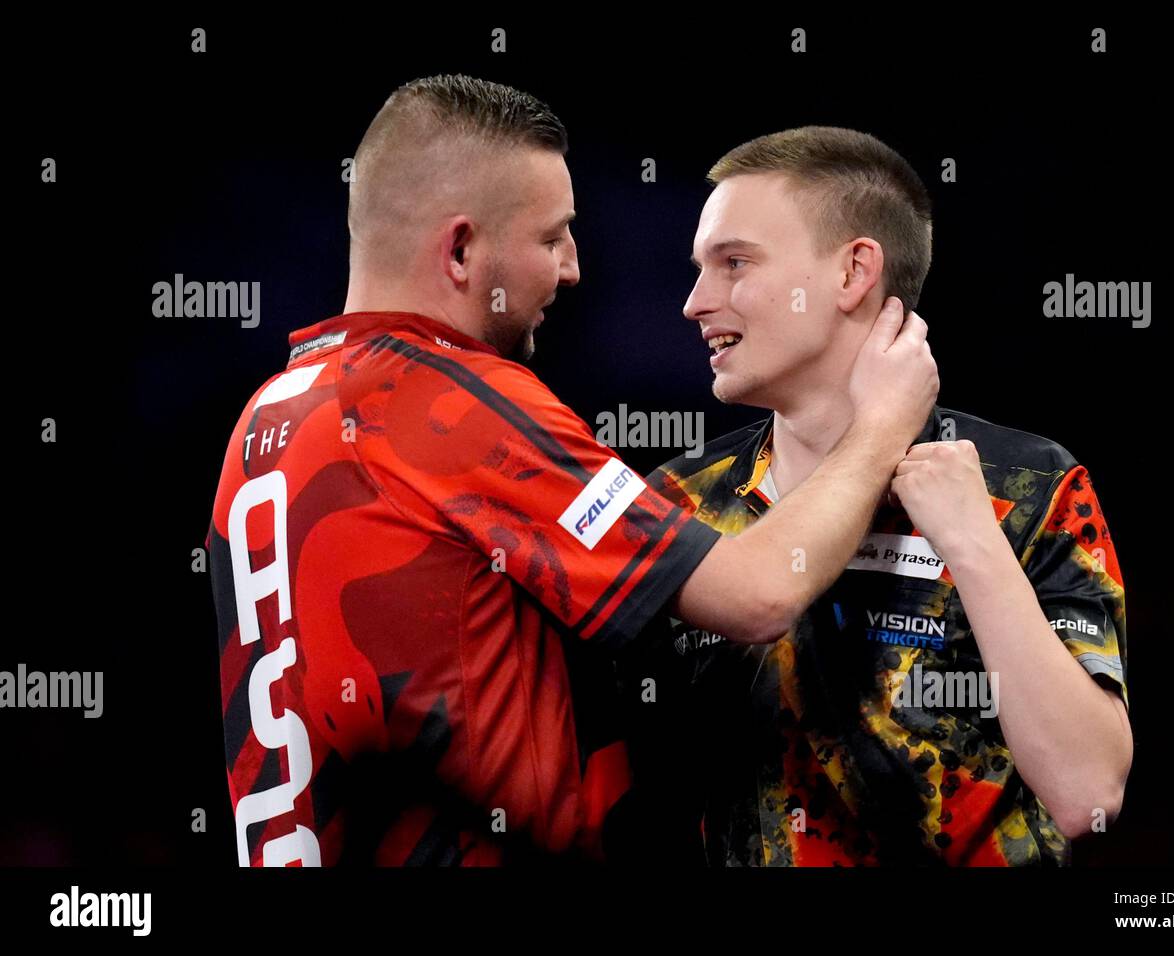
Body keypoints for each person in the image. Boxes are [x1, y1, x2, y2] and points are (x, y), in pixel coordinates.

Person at [207, 80, 937, 866]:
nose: (573, 267)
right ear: (460, 252)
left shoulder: (269, 417)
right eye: (552, 237)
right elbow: (758, 592)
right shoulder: (443, 403)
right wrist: (881, 427)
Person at [628, 126, 1132, 866]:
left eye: (733, 263)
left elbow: (1088, 792)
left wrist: (972, 541)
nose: (694, 302)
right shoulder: (675, 502)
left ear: (853, 272)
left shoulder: (1027, 486)